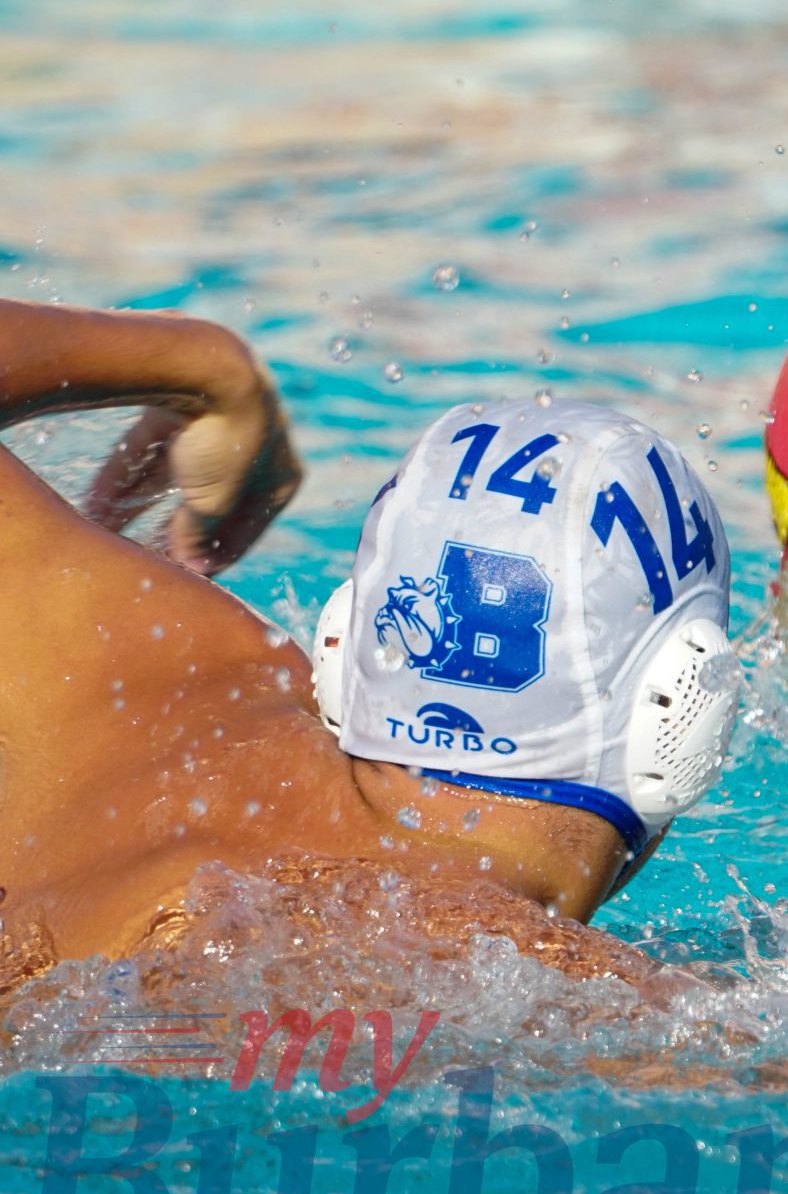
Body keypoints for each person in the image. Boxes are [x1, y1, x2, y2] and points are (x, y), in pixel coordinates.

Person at [0, 300, 737, 995]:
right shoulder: (568, 1001)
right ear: (686, 718)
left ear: (345, 641)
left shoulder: (153, 668)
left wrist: (205, 365)